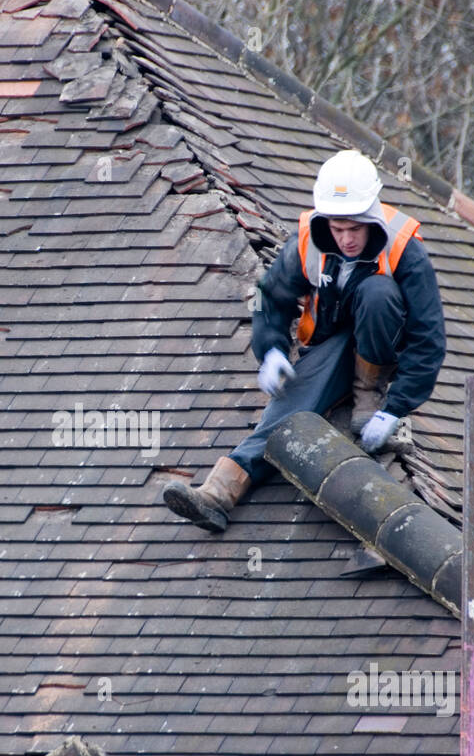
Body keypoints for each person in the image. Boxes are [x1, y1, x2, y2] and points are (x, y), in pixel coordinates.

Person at [164, 149, 446, 533]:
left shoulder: (404, 249)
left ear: (371, 218)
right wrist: (272, 351)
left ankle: (367, 391)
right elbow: (270, 295)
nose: (345, 239)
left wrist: (394, 407)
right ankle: (217, 494)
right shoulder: (309, 239)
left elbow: (429, 337)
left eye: (355, 229)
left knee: (379, 293)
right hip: (329, 347)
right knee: (290, 411)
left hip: (383, 349)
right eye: (337, 228)